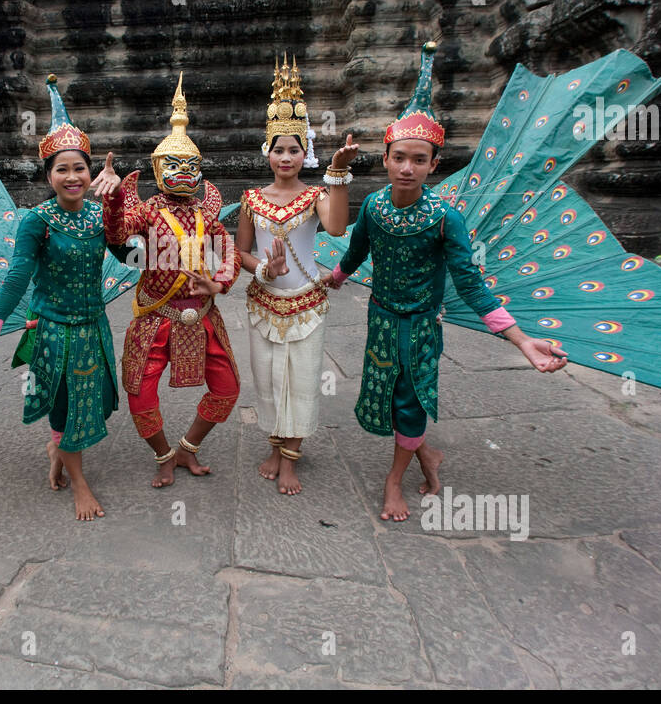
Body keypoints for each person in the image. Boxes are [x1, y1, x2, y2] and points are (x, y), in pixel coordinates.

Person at [327, 43, 569, 522]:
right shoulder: (373, 207)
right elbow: (356, 253)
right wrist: (332, 279)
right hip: (380, 319)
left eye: (420, 160)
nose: (407, 168)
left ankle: (393, 481)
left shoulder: (445, 217)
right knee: (393, 394)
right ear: (385, 158)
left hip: (420, 325)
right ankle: (427, 457)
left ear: (434, 165)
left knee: (410, 400)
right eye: (399, 157)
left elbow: (471, 283)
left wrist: (521, 341)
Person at [0, 75, 117, 521]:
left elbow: (131, 252)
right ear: (49, 176)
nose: (73, 176)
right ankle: (79, 481)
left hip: (94, 324)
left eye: (81, 167)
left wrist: (125, 204)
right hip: (52, 327)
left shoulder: (100, 213)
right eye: (63, 169)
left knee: (90, 400)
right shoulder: (36, 221)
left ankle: (57, 452)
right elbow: (17, 280)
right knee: (64, 404)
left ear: (91, 171)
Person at [91, 75, 242, 488]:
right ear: (158, 168)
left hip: (203, 314)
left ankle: (189, 448)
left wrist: (218, 284)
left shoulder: (206, 214)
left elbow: (227, 251)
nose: (182, 172)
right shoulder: (148, 209)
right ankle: (163, 454)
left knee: (228, 388)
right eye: (173, 165)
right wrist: (115, 198)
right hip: (156, 315)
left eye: (190, 166)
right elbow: (120, 235)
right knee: (139, 390)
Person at [235, 54, 356, 494]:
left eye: (294, 149)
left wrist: (339, 174)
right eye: (278, 149)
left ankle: (291, 456)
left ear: (306, 153)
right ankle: (274, 443)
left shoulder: (317, 194)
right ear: (267, 152)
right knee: (267, 381)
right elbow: (240, 252)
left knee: (302, 381)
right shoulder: (251, 197)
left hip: (306, 301)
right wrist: (264, 268)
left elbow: (338, 227)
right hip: (264, 300)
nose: (286, 157)